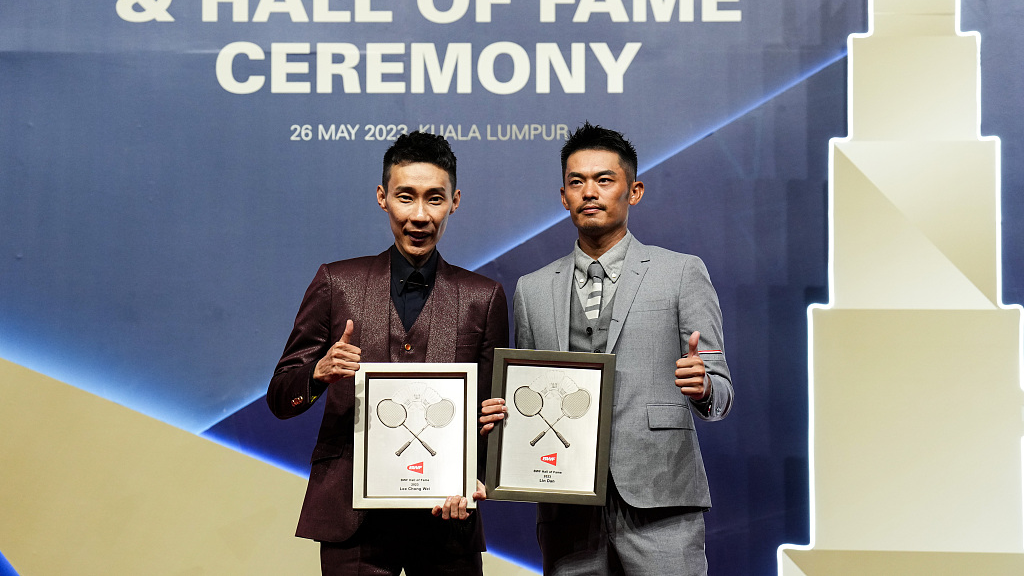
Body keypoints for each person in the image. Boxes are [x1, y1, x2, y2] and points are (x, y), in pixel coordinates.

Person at [480, 122, 733, 575]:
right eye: (576, 182)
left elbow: (721, 391)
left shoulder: (681, 273)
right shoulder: (532, 290)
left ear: (633, 191)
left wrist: (704, 388)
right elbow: (530, 392)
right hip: (567, 510)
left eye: (604, 180)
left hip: (662, 503)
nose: (589, 192)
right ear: (563, 197)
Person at [268, 131, 508, 576]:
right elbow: (282, 398)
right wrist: (317, 374)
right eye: (406, 197)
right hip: (353, 521)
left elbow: (489, 418)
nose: (420, 215)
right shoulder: (336, 282)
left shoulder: (483, 297)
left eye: (434, 199)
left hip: (446, 519)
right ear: (383, 197)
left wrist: (472, 479)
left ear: (454, 201)